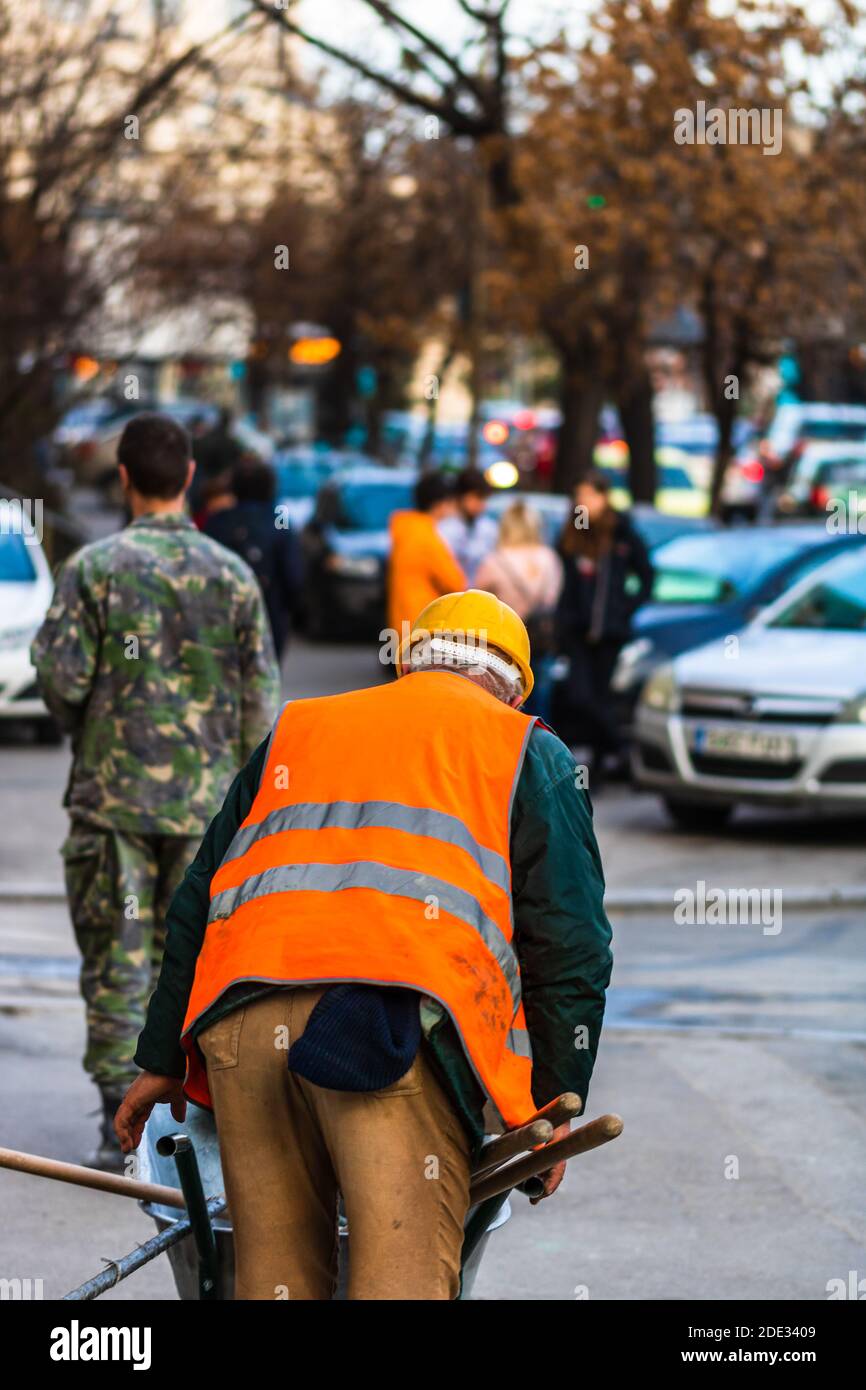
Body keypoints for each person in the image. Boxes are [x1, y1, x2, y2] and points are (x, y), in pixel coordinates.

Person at [115, 589, 613, 1301]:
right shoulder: (525, 747)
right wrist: (552, 1103)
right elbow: (571, 944)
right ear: (509, 687)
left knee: (275, 1288)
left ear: (410, 667)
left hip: (243, 1032)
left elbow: (198, 897)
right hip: (382, 1042)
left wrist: (161, 1060)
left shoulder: (303, 727)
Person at [32, 413, 281, 1169]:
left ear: (125, 478)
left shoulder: (96, 569)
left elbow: (61, 679)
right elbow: (261, 703)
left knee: (116, 956)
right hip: (208, 811)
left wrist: (98, 729)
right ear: (192, 474)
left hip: (113, 801)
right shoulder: (232, 574)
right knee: (198, 960)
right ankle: (191, 1118)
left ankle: (119, 1113)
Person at [555, 470, 653, 784]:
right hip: (578, 631)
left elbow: (646, 575)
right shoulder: (572, 533)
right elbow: (565, 583)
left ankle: (600, 762)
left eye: (589, 495)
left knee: (600, 695)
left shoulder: (621, 533)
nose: (583, 502)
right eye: (579, 496)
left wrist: (624, 609)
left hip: (609, 632)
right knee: (581, 696)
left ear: (603, 497)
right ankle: (623, 749)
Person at [203, 458, 304, 658]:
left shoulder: (218, 521)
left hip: (224, 617)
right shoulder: (279, 520)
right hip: (270, 614)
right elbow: (293, 575)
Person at [476, 500, 563, 722]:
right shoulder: (549, 558)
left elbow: (475, 599)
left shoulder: (495, 560)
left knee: (507, 702)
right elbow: (552, 598)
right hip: (541, 640)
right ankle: (540, 748)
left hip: (504, 645)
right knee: (541, 701)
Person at [386, 470, 467, 649]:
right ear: (440, 504)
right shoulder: (428, 538)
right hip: (423, 627)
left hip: (401, 624)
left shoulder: (405, 530)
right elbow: (455, 583)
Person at [437, 465, 499, 582]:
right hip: (451, 597)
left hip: (480, 596)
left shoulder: (488, 528)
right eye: (476, 497)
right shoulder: (444, 529)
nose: (481, 504)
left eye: (484, 498)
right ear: (461, 496)